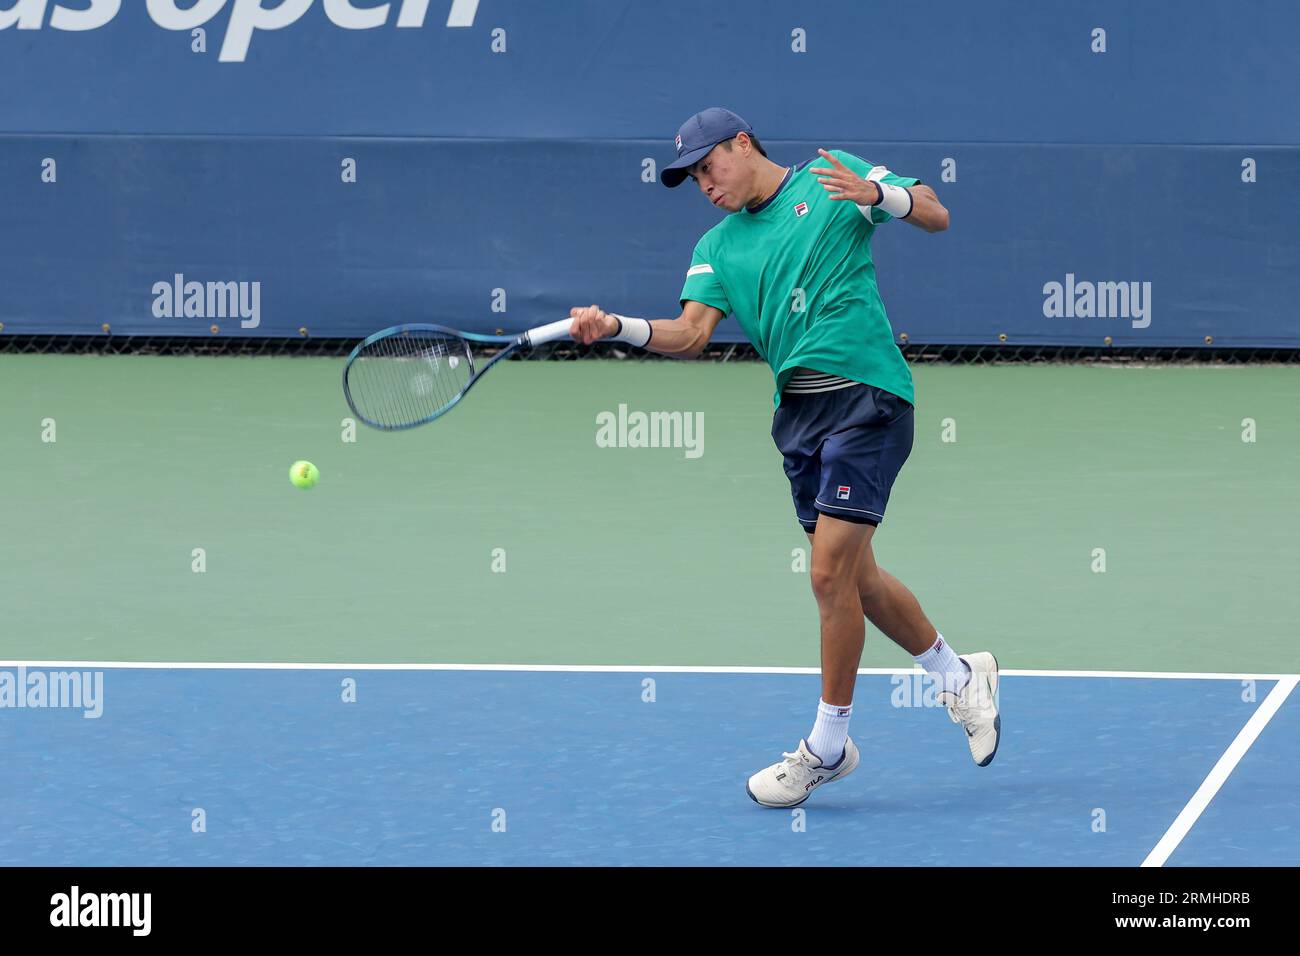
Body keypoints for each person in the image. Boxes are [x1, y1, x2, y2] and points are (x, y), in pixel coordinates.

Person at [568, 107, 999, 808]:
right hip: (799, 419)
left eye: (710, 167)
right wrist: (617, 326)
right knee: (856, 582)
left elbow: (935, 213)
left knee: (826, 572)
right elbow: (688, 334)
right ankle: (959, 677)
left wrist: (879, 196)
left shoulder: (834, 179)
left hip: (869, 397)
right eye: (693, 179)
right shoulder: (717, 245)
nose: (706, 185)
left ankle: (828, 747)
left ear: (743, 144)